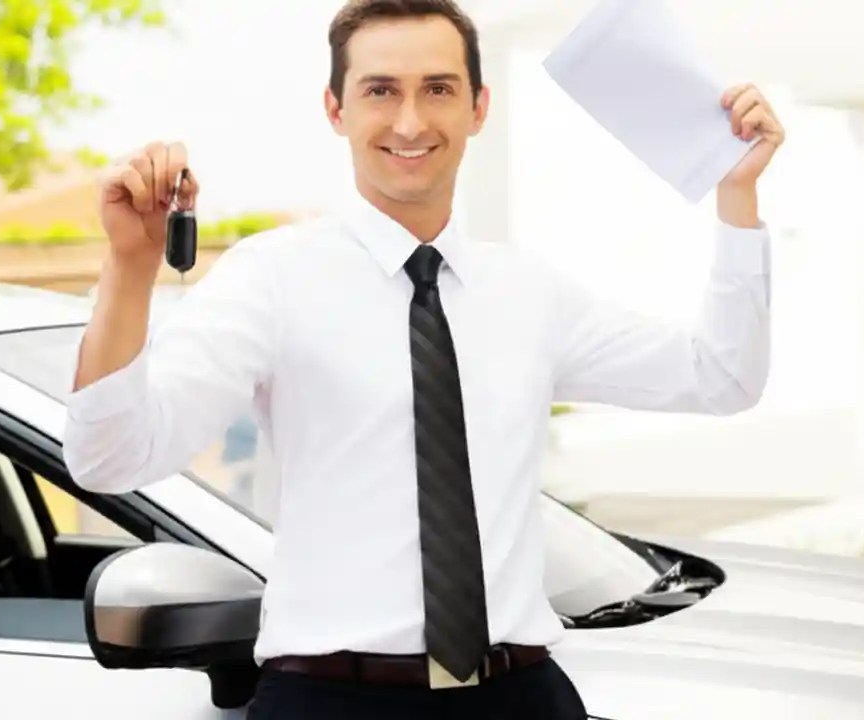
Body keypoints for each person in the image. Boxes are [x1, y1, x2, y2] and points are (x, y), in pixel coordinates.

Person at [62, 0, 783, 717]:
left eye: (437, 89)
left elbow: (722, 377)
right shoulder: (271, 279)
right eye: (381, 90)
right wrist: (130, 266)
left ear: (478, 106)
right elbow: (110, 459)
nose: (410, 122)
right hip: (330, 701)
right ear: (335, 109)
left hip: (521, 698)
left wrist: (736, 192)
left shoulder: (529, 293)